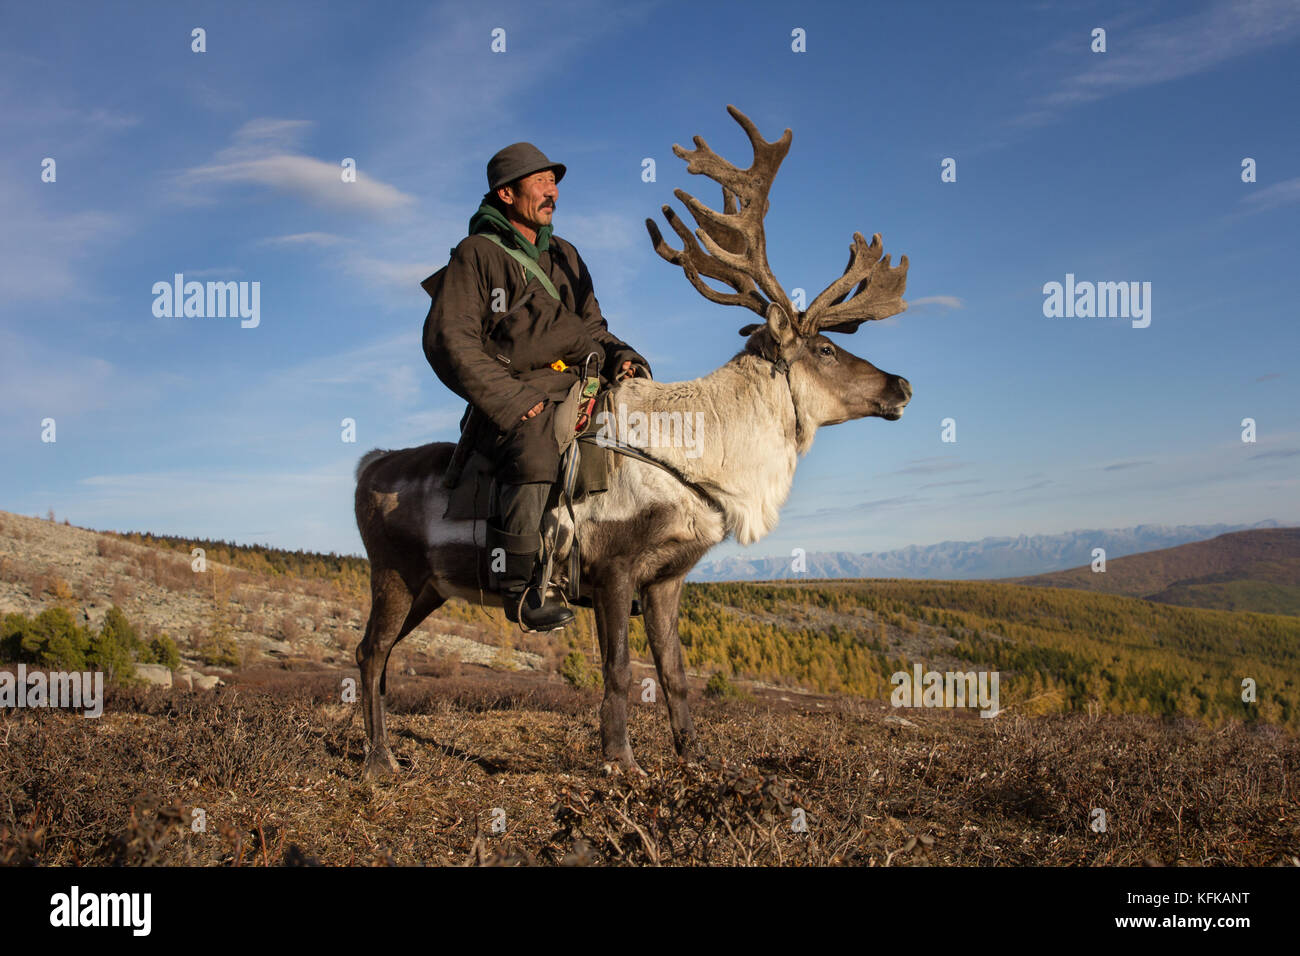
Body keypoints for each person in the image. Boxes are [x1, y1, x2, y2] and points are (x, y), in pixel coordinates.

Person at [422, 141, 651, 631]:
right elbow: (449, 339)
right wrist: (511, 399)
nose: (553, 191)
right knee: (537, 444)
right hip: (516, 393)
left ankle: (598, 572)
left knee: (631, 437)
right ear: (506, 194)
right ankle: (521, 586)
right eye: (542, 182)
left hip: (579, 381)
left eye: (555, 182)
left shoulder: (566, 255)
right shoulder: (476, 255)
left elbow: (593, 328)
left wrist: (624, 358)